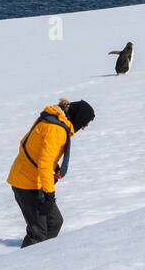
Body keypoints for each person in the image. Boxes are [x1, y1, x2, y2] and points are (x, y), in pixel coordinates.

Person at [6, 98, 95, 247]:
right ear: (78, 118)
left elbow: (28, 145)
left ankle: (43, 258)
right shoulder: (57, 130)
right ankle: (23, 267)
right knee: (38, 233)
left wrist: (54, 167)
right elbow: (44, 164)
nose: (83, 128)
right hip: (25, 184)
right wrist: (49, 196)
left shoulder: (51, 119)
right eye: (84, 124)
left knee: (54, 222)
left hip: (31, 179)